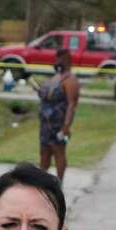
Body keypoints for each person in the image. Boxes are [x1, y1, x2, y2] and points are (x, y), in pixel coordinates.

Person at [29, 48, 79, 182]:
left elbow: (71, 104)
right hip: (46, 124)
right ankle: (42, 183)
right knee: (44, 152)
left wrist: (66, 126)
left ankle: (59, 182)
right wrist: (39, 90)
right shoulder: (56, 77)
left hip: (59, 124)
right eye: (56, 59)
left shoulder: (70, 80)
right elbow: (47, 95)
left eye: (60, 59)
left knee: (59, 152)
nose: (57, 62)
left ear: (67, 60)